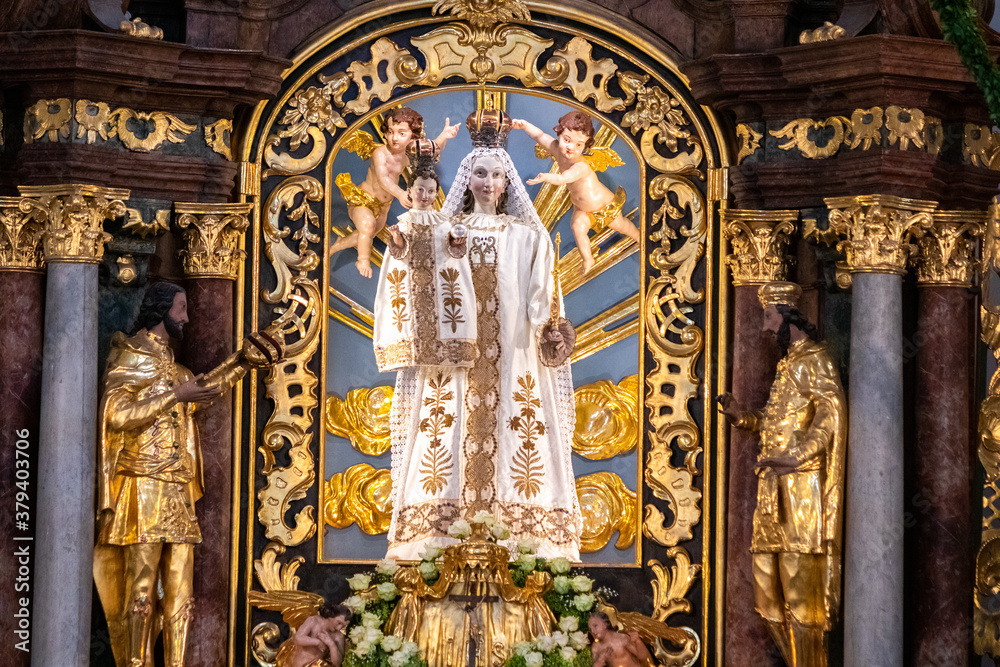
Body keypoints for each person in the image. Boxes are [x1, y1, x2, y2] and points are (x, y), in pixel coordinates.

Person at [383, 109, 582, 561]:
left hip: (515, 355)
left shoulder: (529, 237)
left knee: (519, 427)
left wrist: (553, 332)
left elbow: (546, 302)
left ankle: (524, 540)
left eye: (495, 174)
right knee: (444, 428)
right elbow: (417, 281)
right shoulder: (446, 231)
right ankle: (435, 541)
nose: (487, 182)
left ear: (507, 181)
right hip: (456, 361)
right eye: (478, 173)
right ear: (466, 179)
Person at [94, 282, 282, 667]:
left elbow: (203, 390)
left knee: (181, 591)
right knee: (141, 589)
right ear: (161, 310)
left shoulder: (177, 369)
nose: (187, 318)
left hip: (177, 491)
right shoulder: (130, 355)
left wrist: (243, 361)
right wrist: (174, 397)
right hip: (142, 484)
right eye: (181, 309)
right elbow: (116, 416)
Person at [716, 281, 846, 667]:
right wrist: (743, 417)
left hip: (802, 487)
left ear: (790, 316)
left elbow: (831, 414)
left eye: (770, 318)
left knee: (800, 595)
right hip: (772, 486)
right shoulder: (788, 363)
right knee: (766, 596)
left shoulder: (817, 358)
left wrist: (798, 454)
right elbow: (781, 420)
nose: (765, 328)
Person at [373, 139, 477, 373]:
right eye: (420, 189)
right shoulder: (404, 224)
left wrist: (455, 244)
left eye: (431, 191)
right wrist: (398, 241)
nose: (426, 195)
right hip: (413, 294)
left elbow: (454, 257)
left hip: (441, 295)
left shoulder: (443, 224)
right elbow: (397, 260)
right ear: (409, 191)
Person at [330, 107, 460, 278]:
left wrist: (444, 136)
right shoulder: (380, 153)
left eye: (401, 133)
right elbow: (384, 179)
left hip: (383, 206)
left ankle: (338, 245)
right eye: (390, 132)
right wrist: (399, 193)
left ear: (413, 135)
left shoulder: (408, 155)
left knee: (367, 234)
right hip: (363, 199)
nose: (394, 138)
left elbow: (432, 150)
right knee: (367, 226)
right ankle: (363, 260)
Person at [513, 111, 641, 275]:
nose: (571, 147)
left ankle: (639, 237)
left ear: (585, 145)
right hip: (581, 208)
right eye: (567, 140)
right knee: (577, 228)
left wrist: (545, 176)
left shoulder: (581, 166)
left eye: (579, 145)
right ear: (559, 134)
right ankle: (588, 258)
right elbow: (539, 135)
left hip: (603, 205)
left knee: (621, 225)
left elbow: (564, 178)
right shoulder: (556, 149)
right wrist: (524, 125)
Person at [277, 603, 352, 667]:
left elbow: (337, 664)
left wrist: (331, 644)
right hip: (299, 663)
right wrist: (317, 642)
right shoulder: (313, 621)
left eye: (343, 626)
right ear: (331, 616)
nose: (339, 628)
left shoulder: (339, 637)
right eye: (339, 623)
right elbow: (298, 638)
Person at [589, 612, 654, 667]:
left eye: (595, 626)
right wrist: (599, 662)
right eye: (590, 629)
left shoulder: (621, 639)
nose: (593, 631)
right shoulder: (596, 648)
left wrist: (637, 641)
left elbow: (643, 657)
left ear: (604, 625)